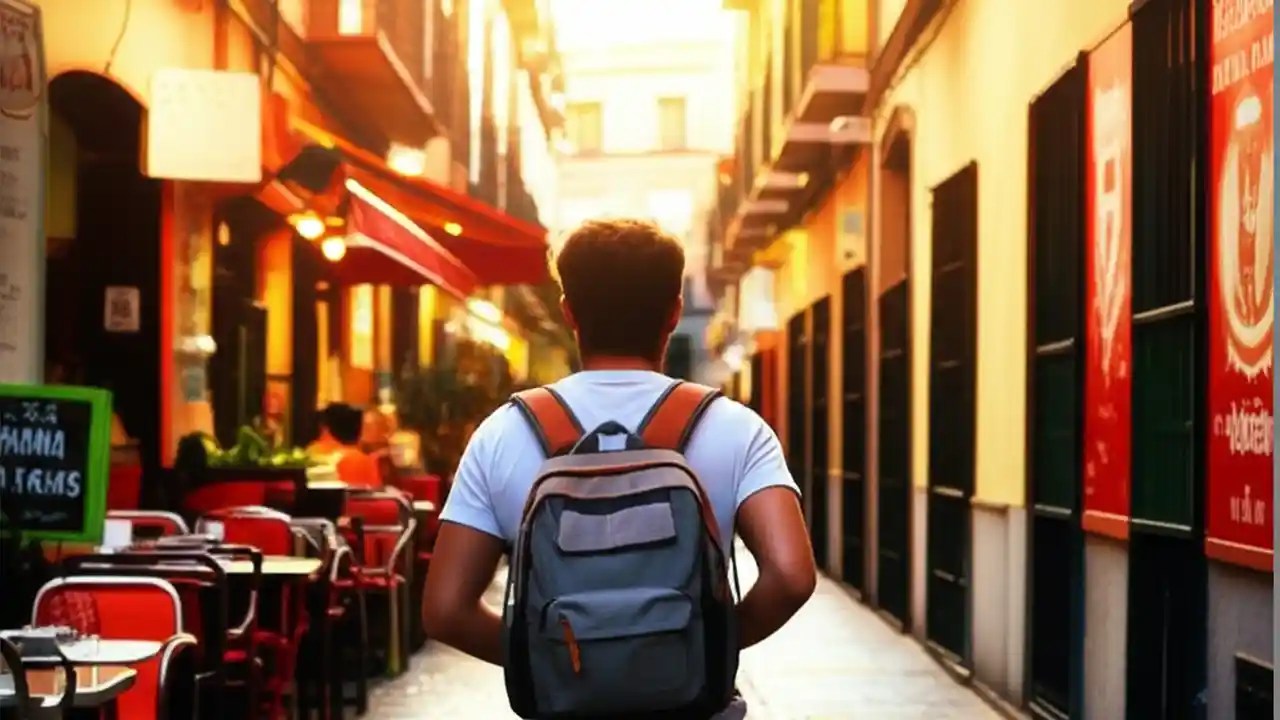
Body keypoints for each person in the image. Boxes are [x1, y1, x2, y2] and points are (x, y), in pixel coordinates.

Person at [422, 219, 817, 717]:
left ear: (568, 311)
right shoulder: (737, 428)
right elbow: (791, 576)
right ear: (674, 312)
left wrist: (560, 663)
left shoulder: (503, 433)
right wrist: (697, 651)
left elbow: (445, 610)